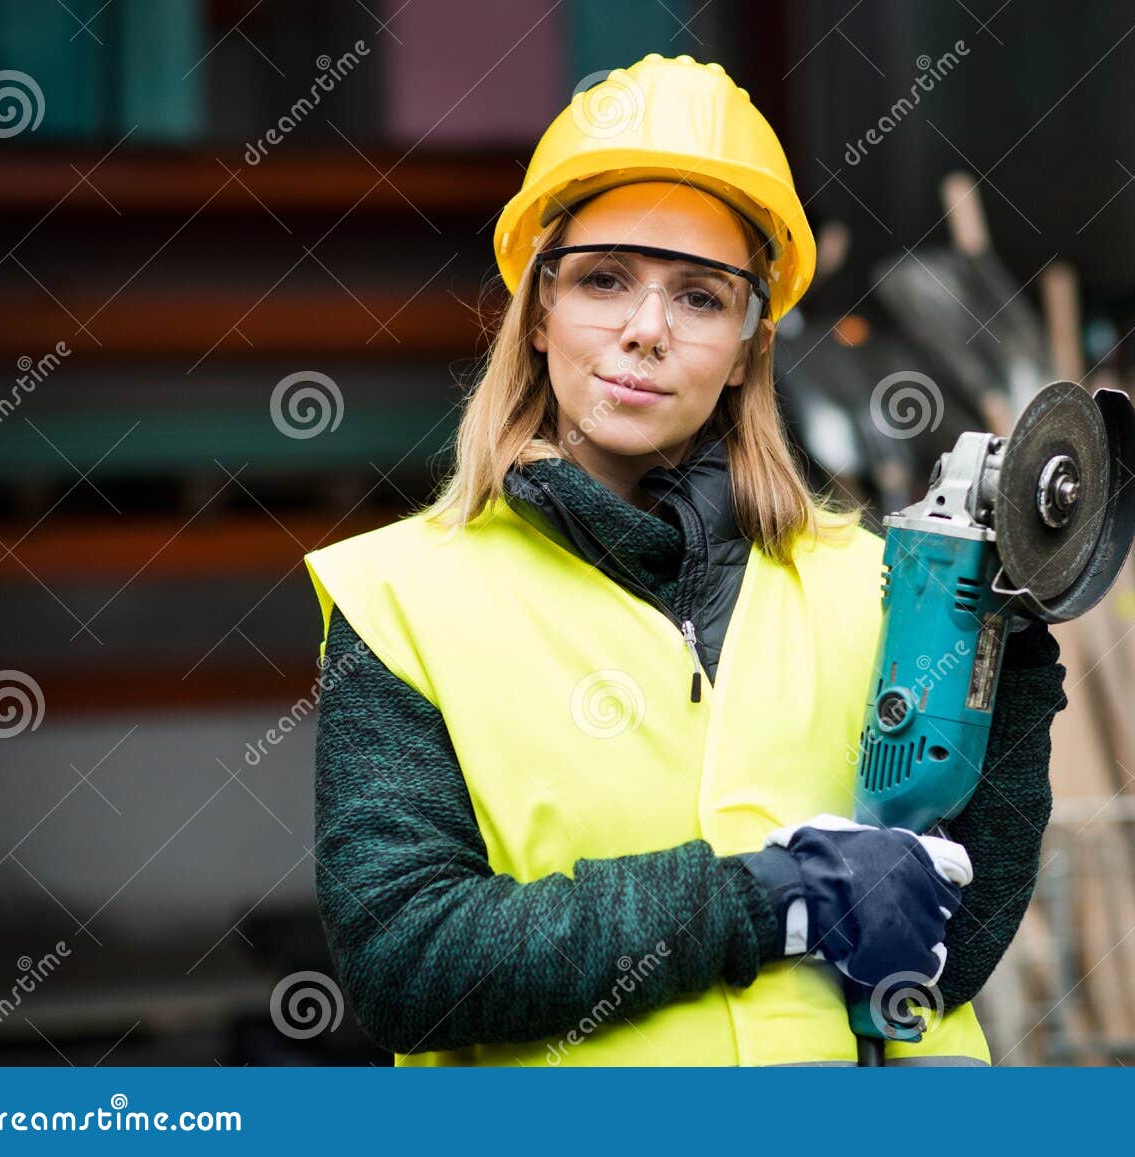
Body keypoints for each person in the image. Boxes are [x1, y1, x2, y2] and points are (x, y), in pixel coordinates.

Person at [304, 52, 1067, 1067]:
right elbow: (411, 964)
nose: (645, 330)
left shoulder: (879, 586)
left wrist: (1006, 678)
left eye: (701, 297)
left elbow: (938, 963)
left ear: (753, 340)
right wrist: (768, 898)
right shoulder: (402, 599)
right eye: (603, 279)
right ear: (538, 312)